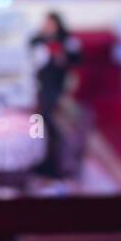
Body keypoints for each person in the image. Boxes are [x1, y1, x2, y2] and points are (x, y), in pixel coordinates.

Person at [30, 12, 81, 178]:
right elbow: (30, 51)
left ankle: (55, 162)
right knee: (36, 123)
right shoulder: (38, 40)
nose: (47, 27)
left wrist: (63, 58)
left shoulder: (67, 42)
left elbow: (77, 60)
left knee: (52, 124)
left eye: (51, 24)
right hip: (39, 87)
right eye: (46, 24)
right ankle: (36, 157)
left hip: (56, 89)